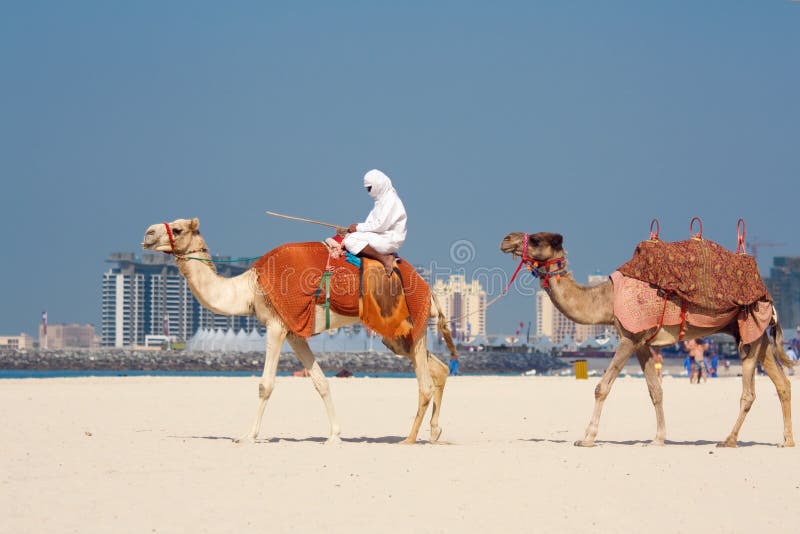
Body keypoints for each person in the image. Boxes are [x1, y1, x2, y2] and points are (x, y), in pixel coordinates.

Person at [343, 169, 407, 276]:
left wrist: (357, 228)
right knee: (350, 236)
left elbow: (380, 225)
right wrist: (355, 230)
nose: (369, 192)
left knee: (350, 240)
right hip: (380, 237)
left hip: (388, 239)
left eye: (370, 188)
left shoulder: (390, 200)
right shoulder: (381, 201)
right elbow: (371, 224)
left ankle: (385, 258)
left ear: (378, 184)